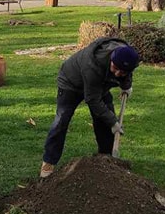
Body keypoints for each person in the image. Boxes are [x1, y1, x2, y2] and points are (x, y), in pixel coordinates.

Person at [39, 36, 140, 178]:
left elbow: (126, 71)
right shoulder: (93, 63)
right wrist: (113, 121)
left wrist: (126, 85)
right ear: (111, 58)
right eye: (115, 68)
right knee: (62, 119)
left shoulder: (126, 56)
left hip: (100, 85)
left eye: (122, 72)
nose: (117, 74)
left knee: (104, 121)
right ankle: (49, 161)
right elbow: (92, 99)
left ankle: (106, 161)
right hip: (71, 83)